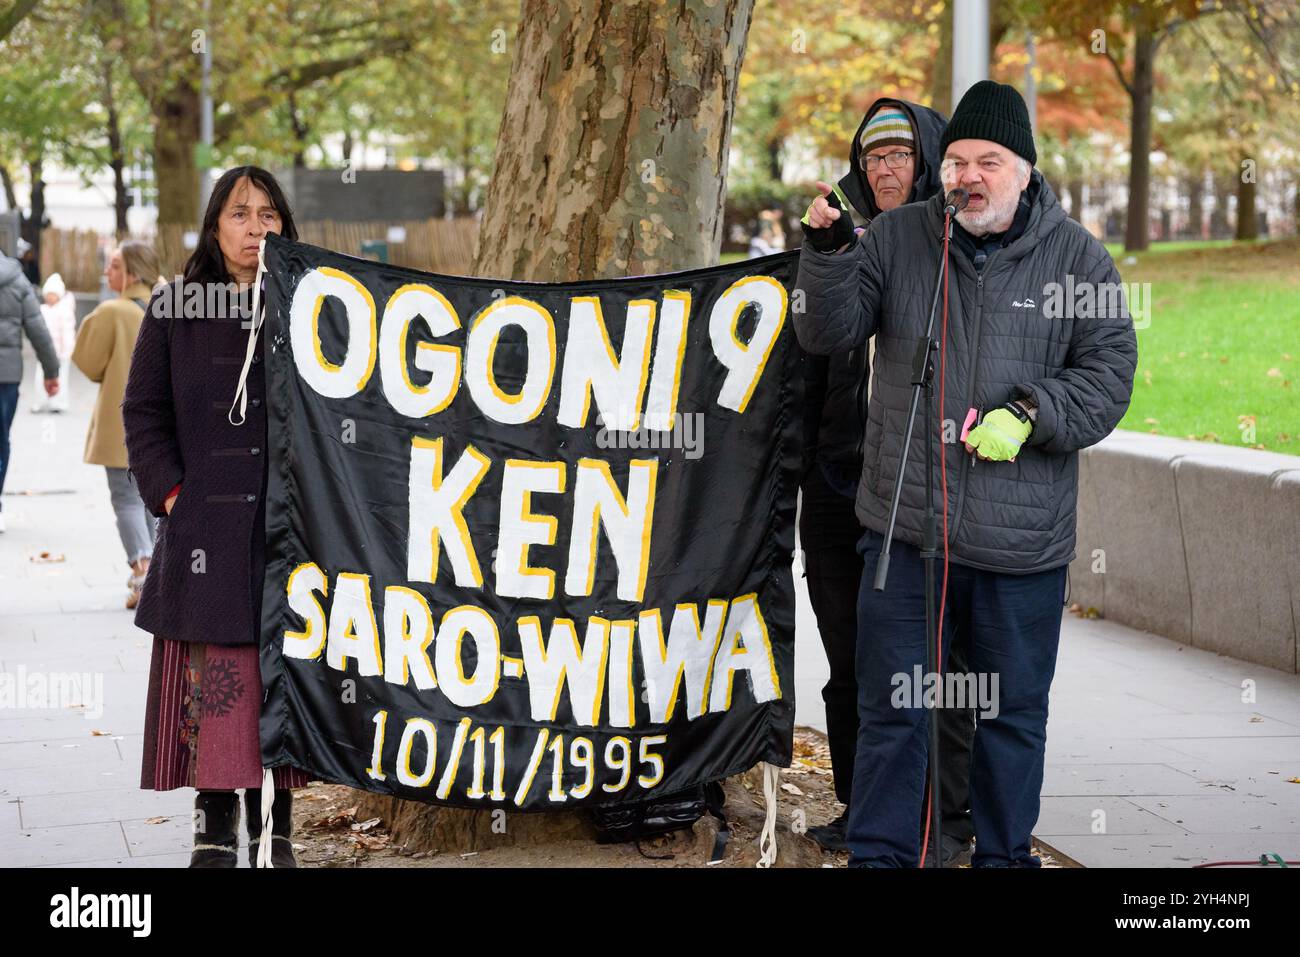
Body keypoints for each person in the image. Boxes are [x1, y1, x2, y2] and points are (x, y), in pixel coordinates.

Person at [795, 81, 1137, 867]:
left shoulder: (1077, 256)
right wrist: (826, 253)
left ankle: (1003, 857)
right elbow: (827, 330)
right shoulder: (900, 237)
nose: (968, 176)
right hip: (906, 535)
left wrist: (1034, 411)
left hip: (1018, 548)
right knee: (893, 711)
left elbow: (1111, 372)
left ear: (1024, 170)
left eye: (988, 161)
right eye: (956, 161)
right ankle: (881, 856)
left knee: (1011, 716)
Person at [797, 99, 982, 862]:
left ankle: (947, 817)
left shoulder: (953, 243)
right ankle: (862, 806)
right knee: (851, 662)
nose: (882, 171)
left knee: (935, 669)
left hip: (917, 490)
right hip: (838, 484)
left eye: (898, 156)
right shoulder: (836, 235)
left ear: (926, 159)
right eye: (871, 158)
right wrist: (825, 250)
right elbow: (807, 349)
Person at [123, 166, 310, 868]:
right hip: (205, 532)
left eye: (269, 214)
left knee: (284, 677)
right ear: (213, 226)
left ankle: (280, 823)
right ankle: (215, 820)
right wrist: (173, 495)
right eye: (240, 213)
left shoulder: (311, 307)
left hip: (292, 531)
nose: (256, 228)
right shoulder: (175, 306)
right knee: (218, 680)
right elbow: (142, 411)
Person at [71, 244, 164, 608]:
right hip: (166, 424)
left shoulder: (111, 312)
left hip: (123, 421)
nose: (107, 274)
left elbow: (89, 363)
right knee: (153, 499)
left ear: (133, 273)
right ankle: (159, 573)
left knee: (125, 499)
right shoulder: (172, 303)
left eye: (114, 266)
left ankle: (142, 574)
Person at [0, 252, 60, 534]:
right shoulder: (16, 278)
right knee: (1, 440)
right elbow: (37, 329)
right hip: (6, 376)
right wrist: (51, 370)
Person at [32, 273, 76, 413]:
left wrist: (67, 352)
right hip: (44, 352)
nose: (50, 297)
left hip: (60, 352)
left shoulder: (64, 311)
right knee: (40, 377)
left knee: (61, 377)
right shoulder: (42, 310)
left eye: (53, 294)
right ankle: (40, 401)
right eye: (48, 294)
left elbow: (68, 332)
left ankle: (59, 403)